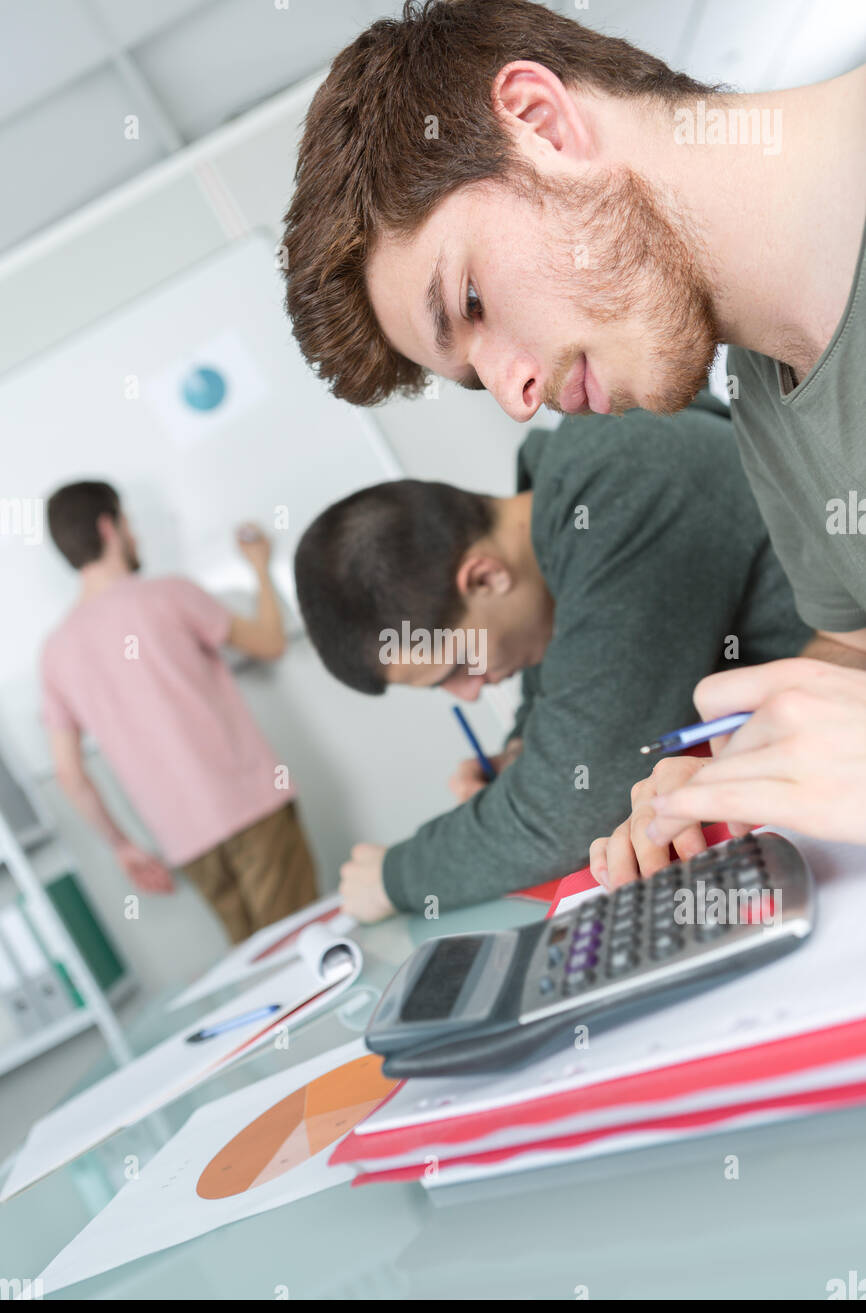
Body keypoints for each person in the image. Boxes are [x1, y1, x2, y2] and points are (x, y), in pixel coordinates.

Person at [280, 0, 866, 856]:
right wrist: (737, 765)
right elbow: (854, 645)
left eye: (470, 303)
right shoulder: (762, 387)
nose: (518, 397)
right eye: (474, 375)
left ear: (541, 121)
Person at [294, 394, 808, 920]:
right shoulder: (558, 520)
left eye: (457, 668)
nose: (470, 692)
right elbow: (562, 682)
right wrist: (522, 748)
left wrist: (395, 877)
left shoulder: (623, 490)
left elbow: (566, 807)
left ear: (486, 576)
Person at [41, 481, 317, 943]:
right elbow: (270, 643)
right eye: (130, 523)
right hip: (251, 807)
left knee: (264, 971)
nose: (138, 537)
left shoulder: (55, 654)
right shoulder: (169, 594)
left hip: (185, 841)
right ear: (108, 527)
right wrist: (260, 569)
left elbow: (70, 775)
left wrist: (122, 846)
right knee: (308, 950)